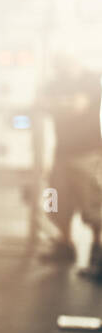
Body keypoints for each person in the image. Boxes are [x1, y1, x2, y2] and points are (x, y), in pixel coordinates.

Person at [39, 52, 102, 273]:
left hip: (89, 154)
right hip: (61, 154)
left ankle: (99, 253)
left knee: (95, 206)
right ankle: (65, 245)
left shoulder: (92, 80)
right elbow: (41, 105)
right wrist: (65, 104)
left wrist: (59, 105)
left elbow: (78, 106)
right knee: (54, 203)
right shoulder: (53, 83)